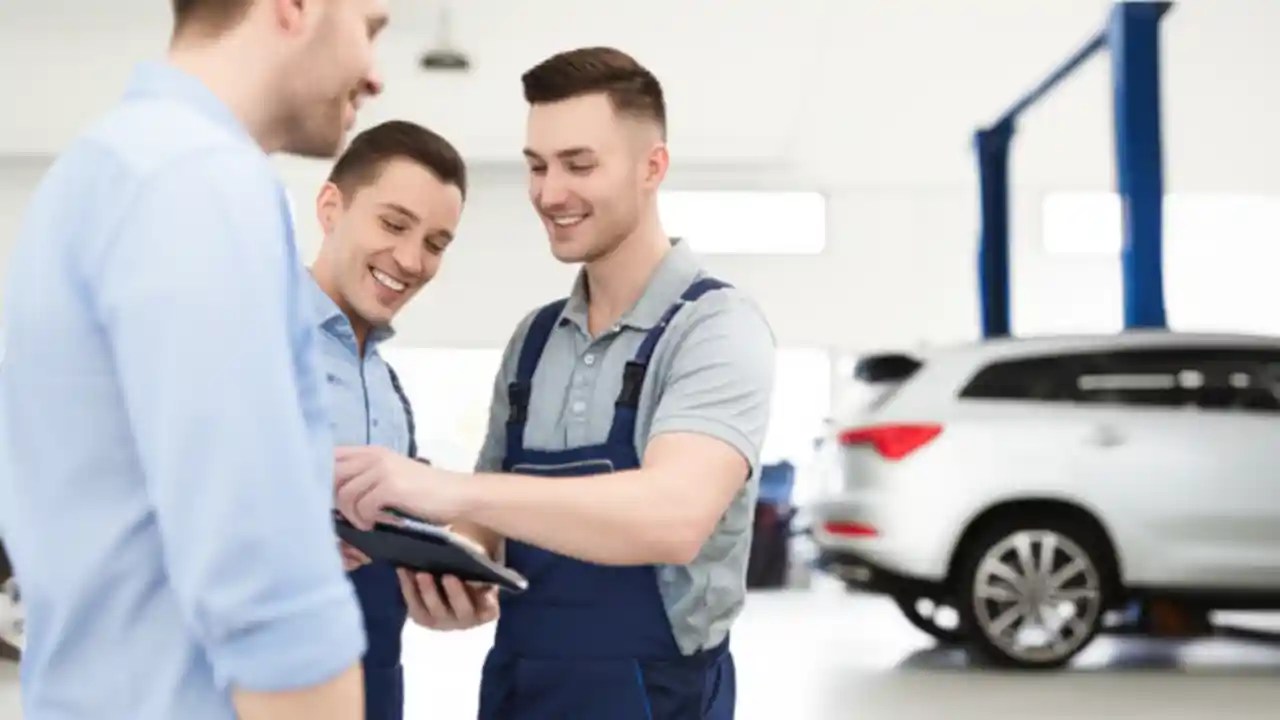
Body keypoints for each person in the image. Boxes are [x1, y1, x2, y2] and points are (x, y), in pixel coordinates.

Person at [334, 46, 777, 719]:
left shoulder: (716, 328)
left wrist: (448, 489)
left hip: (655, 699)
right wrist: (457, 573)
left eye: (579, 164)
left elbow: (675, 516)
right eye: (538, 166)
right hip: (520, 690)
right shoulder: (535, 340)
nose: (549, 193)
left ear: (652, 167)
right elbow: (488, 523)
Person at [0, 1, 390, 719]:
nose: (375, 75)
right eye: (369, 28)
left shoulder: (108, 167)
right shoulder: (196, 181)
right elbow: (265, 584)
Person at [306, 118, 497, 720]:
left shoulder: (388, 389)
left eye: (436, 243)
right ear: (331, 208)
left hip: (376, 689)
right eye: (393, 224)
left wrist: (445, 576)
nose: (412, 260)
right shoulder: (241, 337)